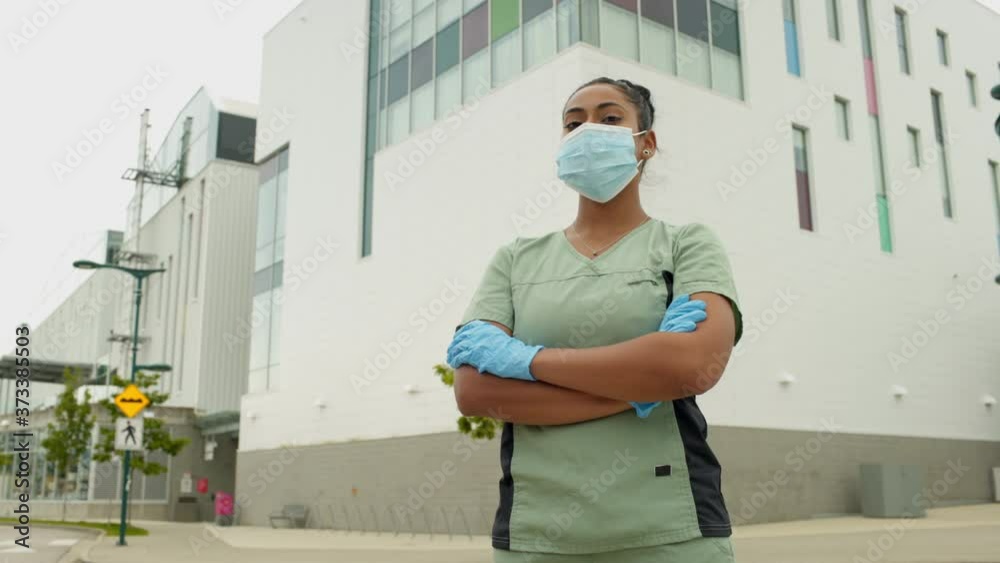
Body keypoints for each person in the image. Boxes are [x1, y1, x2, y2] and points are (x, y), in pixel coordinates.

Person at [447, 78, 743, 562]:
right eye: (573, 122)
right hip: (535, 537)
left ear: (644, 143)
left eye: (609, 118)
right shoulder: (516, 260)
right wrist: (642, 384)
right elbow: (476, 392)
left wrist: (524, 360)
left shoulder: (685, 244)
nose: (587, 130)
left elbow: (694, 366)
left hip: (674, 533)